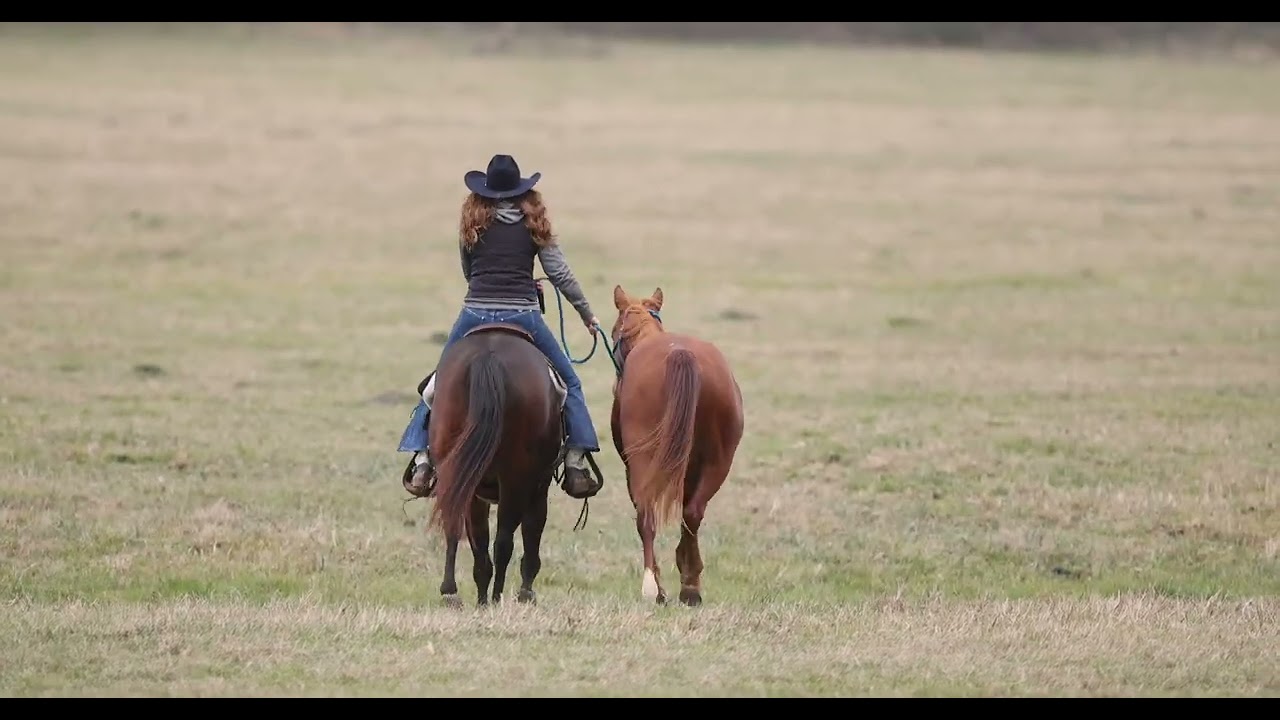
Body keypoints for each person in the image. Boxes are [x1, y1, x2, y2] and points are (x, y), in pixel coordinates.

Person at [397, 153, 603, 501]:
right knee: (570, 384)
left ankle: (423, 459)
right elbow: (560, 273)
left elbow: (469, 269)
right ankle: (575, 461)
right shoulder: (534, 221)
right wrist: (586, 313)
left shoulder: (471, 221)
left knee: (437, 385)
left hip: (475, 313)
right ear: (522, 189)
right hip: (523, 315)